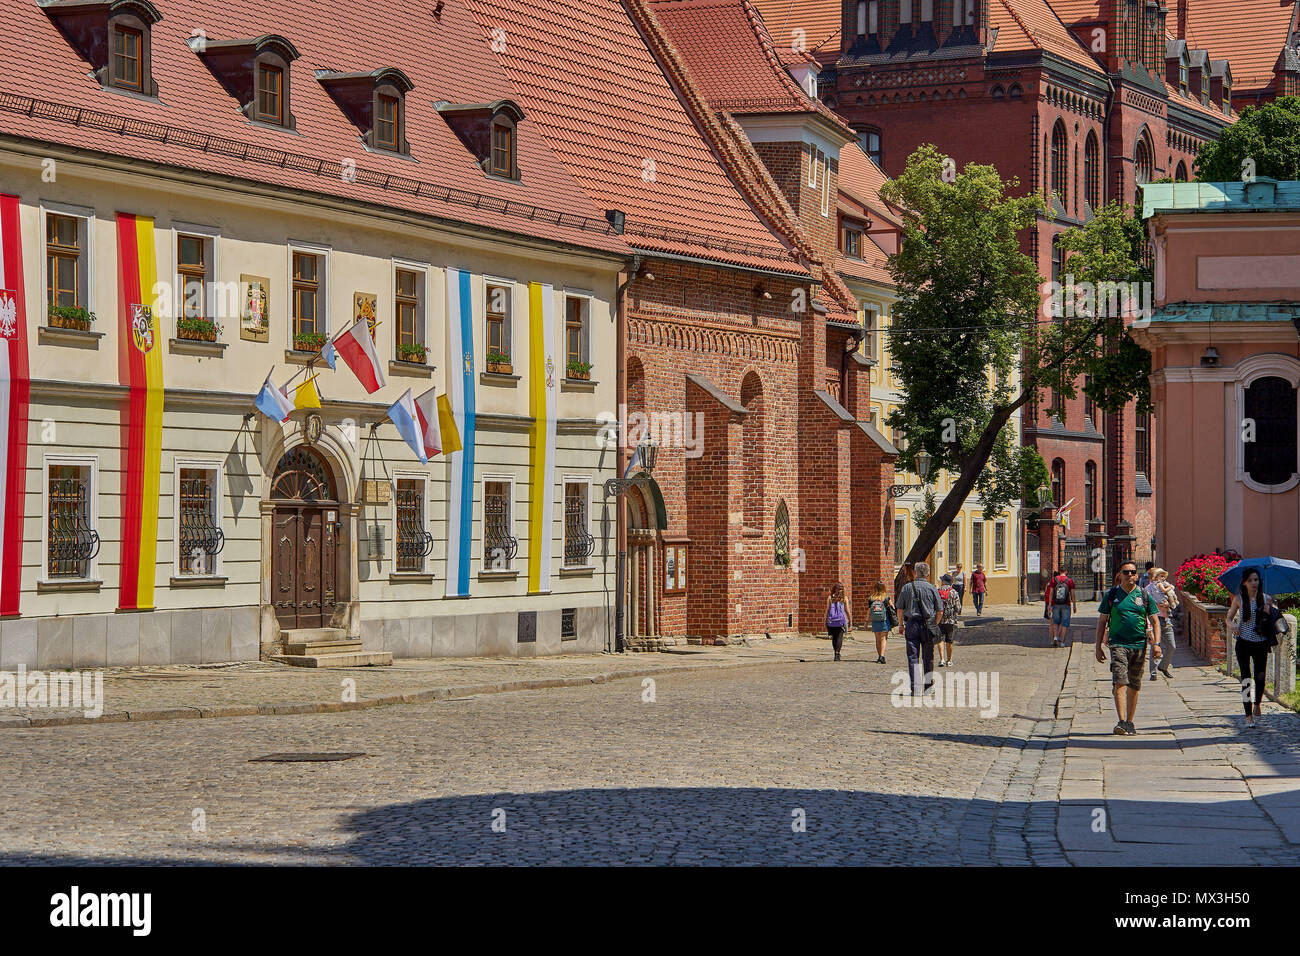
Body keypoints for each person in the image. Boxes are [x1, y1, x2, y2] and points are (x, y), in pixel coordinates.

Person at [1095, 561, 1161, 735]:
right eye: (1126, 572)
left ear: (1137, 575)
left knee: (1134, 684)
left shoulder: (1144, 596)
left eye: (1133, 572)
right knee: (1120, 680)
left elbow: (1155, 621)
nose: (1130, 575)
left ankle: (1130, 722)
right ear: (1120, 575)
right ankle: (1121, 721)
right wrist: (1097, 647)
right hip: (1118, 644)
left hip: (1139, 644)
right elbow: (1102, 621)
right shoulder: (1112, 595)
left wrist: (1157, 644)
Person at [1227, 568, 1280, 729]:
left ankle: (1257, 704)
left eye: (1256, 580)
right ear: (1244, 582)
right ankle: (1248, 715)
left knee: (1260, 677)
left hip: (1261, 642)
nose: (1254, 583)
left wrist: (1269, 610)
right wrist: (1232, 625)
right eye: (1250, 580)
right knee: (1246, 679)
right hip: (1243, 642)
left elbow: (1275, 619)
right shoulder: (1238, 599)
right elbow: (1228, 618)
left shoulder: (1267, 599)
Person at [897, 561, 942, 696]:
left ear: (916, 573)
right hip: (928, 625)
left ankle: (915, 689)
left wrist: (900, 624)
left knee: (912, 657)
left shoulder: (907, 588)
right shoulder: (932, 588)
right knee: (928, 657)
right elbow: (940, 611)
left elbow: (899, 609)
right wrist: (935, 624)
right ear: (928, 574)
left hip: (911, 624)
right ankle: (928, 687)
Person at [1144, 567, 1178, 680]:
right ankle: (1153, 673)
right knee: (1155, 645)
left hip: (1166, 619)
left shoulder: (1165, 587)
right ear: (1153, 577)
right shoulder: (1147, 589)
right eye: (1160, 575)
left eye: (1163, 576)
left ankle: (1163, 666)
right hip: (1154, 620)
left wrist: (1168, 605)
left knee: (1172, 646)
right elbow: (1147, 604)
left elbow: (1171, 600)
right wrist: (1158, 606)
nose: (1162, 578)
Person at [866, 580, 896, 664]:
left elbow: (869, 611)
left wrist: (866, 621)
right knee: (883, 638)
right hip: (884, 620)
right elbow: (892, 607)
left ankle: (879, 655)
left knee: (877, 639)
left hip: (875, 620)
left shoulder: (871, 598)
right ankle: (882, 656)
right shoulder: (886, 598)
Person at [1047, 568, 1076, 647]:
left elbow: (1051, 593)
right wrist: (1074, 605)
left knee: (1055, 622)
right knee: (1064, 624)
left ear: (1059, 571)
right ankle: (1062, 642)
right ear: (1066, 571)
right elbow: (1072, 594)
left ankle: (1055, 637)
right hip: (1066, 604)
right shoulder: (1069, 581)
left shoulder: (1054, 580)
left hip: (1055, 604)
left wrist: (1049, 604)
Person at [936, 573, 960, 667]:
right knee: (949, 640)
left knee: (940, 639)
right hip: (950, 620)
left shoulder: (937, 591)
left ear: (943, 581)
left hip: (939, 619)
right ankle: (949, 660)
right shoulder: (954, 592)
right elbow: (958, 608)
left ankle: (941, 659)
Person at [826, 582, 852, 662]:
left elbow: (827, 610)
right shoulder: (844, 598)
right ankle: (837, 653)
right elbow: (847, 610)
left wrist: (825, 620)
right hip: (841, 620)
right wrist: (850, 620)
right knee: (839, 636)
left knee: (834, 637)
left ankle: (835, 652)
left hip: (832, 620)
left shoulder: (830, 598)